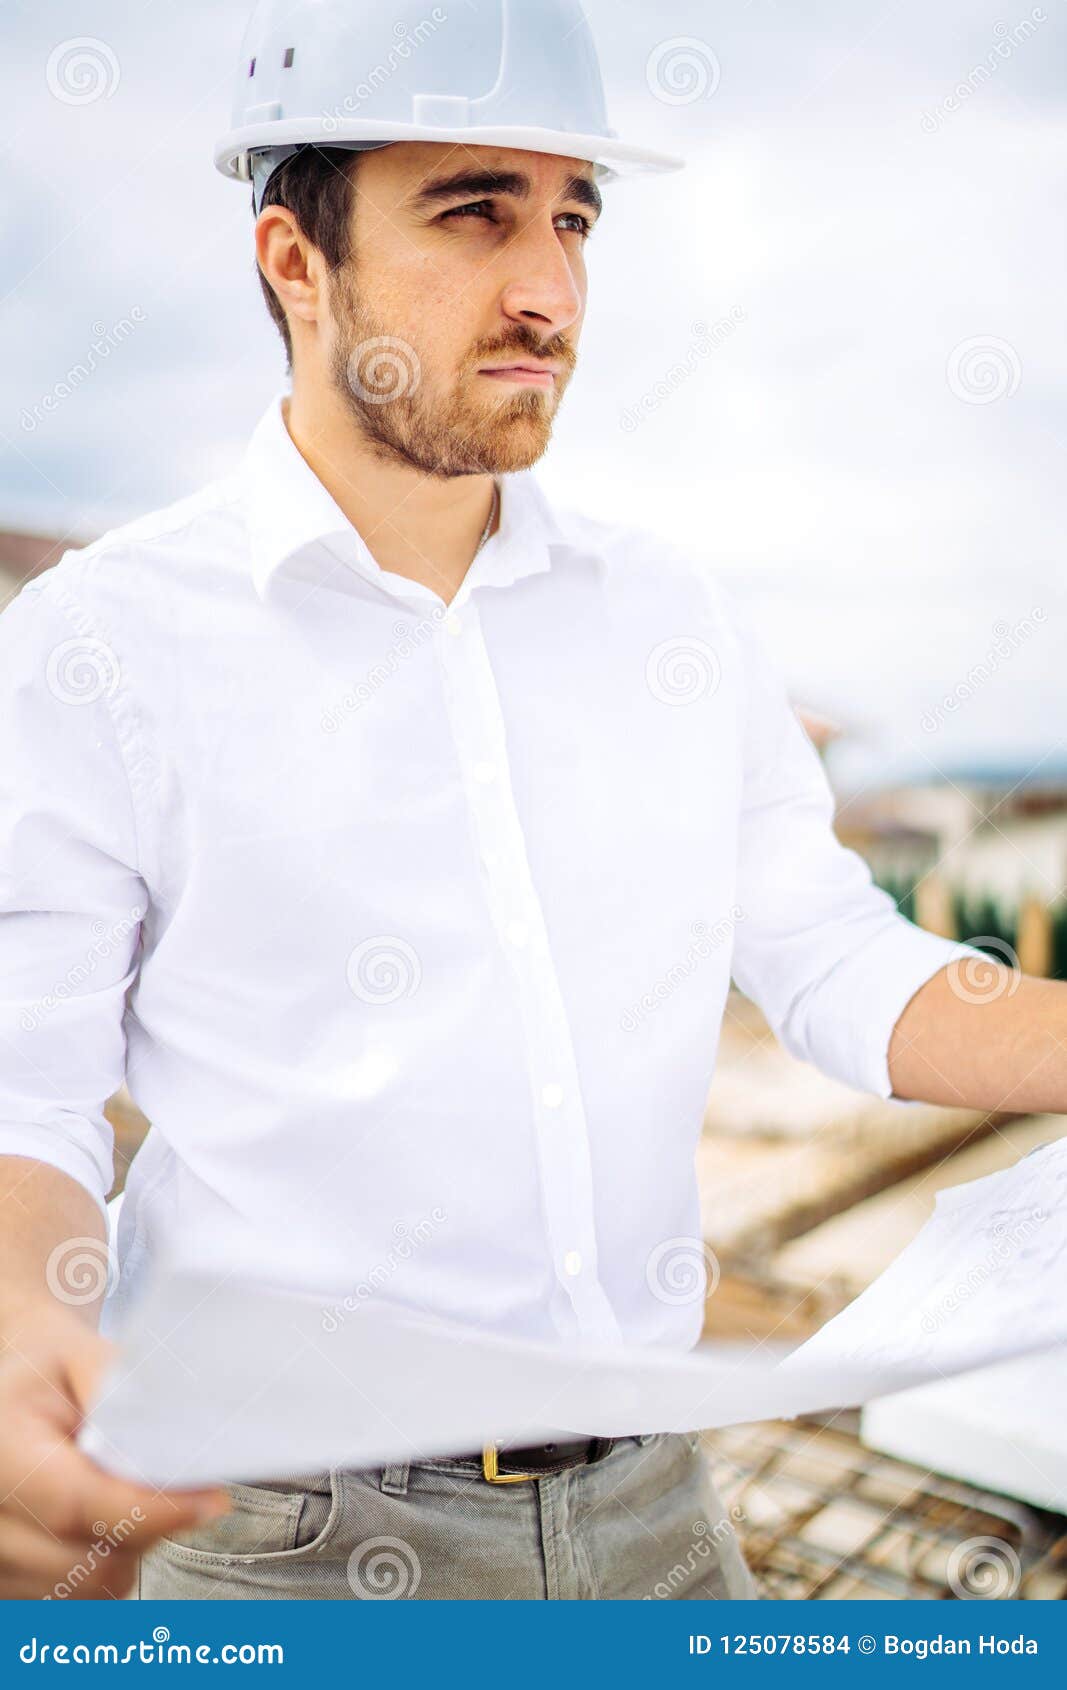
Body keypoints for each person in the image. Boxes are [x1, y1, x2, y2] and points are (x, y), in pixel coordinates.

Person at [1, 0, 1063, 1603]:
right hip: (281, 1539)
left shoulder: (676, 625)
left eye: (573, 216)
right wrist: (27, 1330)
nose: (551, 288)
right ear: (297, 259)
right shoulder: (102, 647)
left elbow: (843, 965)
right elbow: (30, 1100)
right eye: (476, 210)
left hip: (656, 1515)